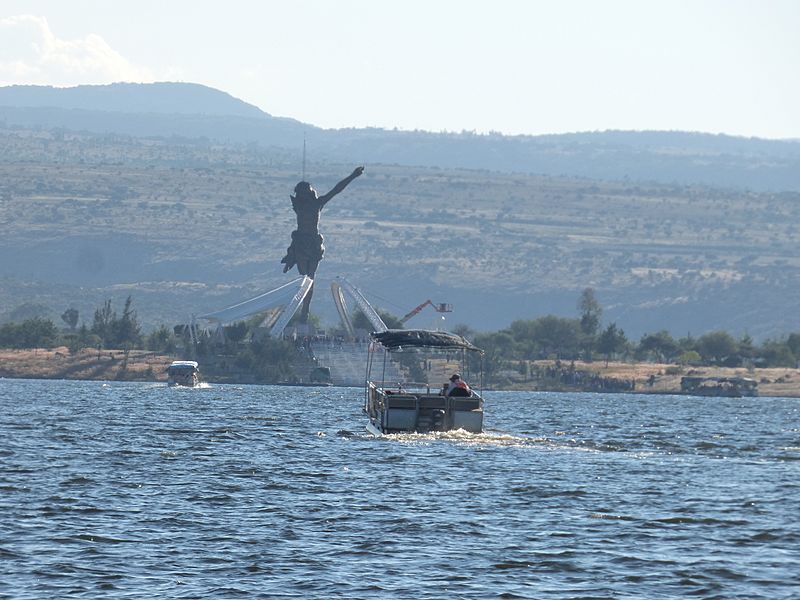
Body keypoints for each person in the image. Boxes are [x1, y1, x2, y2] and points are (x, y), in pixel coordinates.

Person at [281, 166, 364, 321]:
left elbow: (336, 189)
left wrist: (353, 176)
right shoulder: (298, 206)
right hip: (300, 243)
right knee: (304, 278)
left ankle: (305, 310)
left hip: (313, 244)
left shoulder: (317, 204)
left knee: (310, 278)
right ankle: (301, 307)